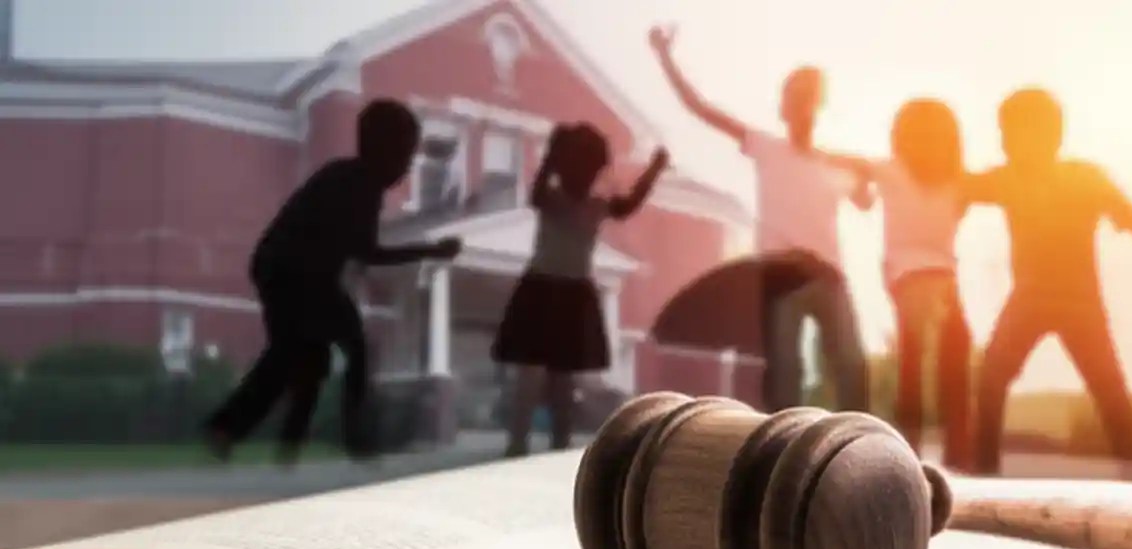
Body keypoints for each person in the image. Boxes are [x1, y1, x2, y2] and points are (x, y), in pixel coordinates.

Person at [205, 98, 462, 465]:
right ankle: (350, 442)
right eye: (404, 157)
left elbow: (358, 252)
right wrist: (432, 251)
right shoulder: (357, 185)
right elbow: (368, 253)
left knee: (306, 358)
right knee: (326, 350)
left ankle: (274, 445)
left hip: (297, 272)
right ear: (383, 151)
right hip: (292, 271)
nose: (406, 169)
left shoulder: (350, 179)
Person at [966, 87, 1132, 477]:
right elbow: (953, 184)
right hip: (1035, 300)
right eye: (1002, 134)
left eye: (1011, 134)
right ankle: (984, 474)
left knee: (1109, 391)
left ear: (1050, 135)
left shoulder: (1084, 178)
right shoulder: (1007, 178)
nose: (1004, 143)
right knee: (991, 379)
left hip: (1078, 305)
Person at [648, 24, 871, 413]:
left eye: (808, 101)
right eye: (794, 101)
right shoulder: (766, 146)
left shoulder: (834, 163)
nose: (801, 109)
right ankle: (783, 451)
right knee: (786, 374)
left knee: (851, 366)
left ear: (817, 108)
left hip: (828, 275)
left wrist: (866, 180)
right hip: (781, 274)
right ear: (785, 110)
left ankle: (866, 448)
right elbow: (701, 109)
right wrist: (665, 56)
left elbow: (866, 201)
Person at [492, 122, 669, 457]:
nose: (587, 176)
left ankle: (554, 445)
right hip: (547, 290)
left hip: (561, 291)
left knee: (561, 379)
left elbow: (628, 204)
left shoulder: (589, 204)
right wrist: (552, 156)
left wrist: (654, 171)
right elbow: (540, 193)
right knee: (537, 376)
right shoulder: (555, 199)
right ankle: (520, 446)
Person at [821, 98, 974, 469]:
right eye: (923, 137)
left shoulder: (956, 180)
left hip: (935, 275)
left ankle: (944, 448)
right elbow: (842, 161)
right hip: (912, 274)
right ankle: (919, 447)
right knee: (924, 356)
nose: (930, 147)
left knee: (942, 353)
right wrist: (855, 184)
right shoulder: (893, 171)